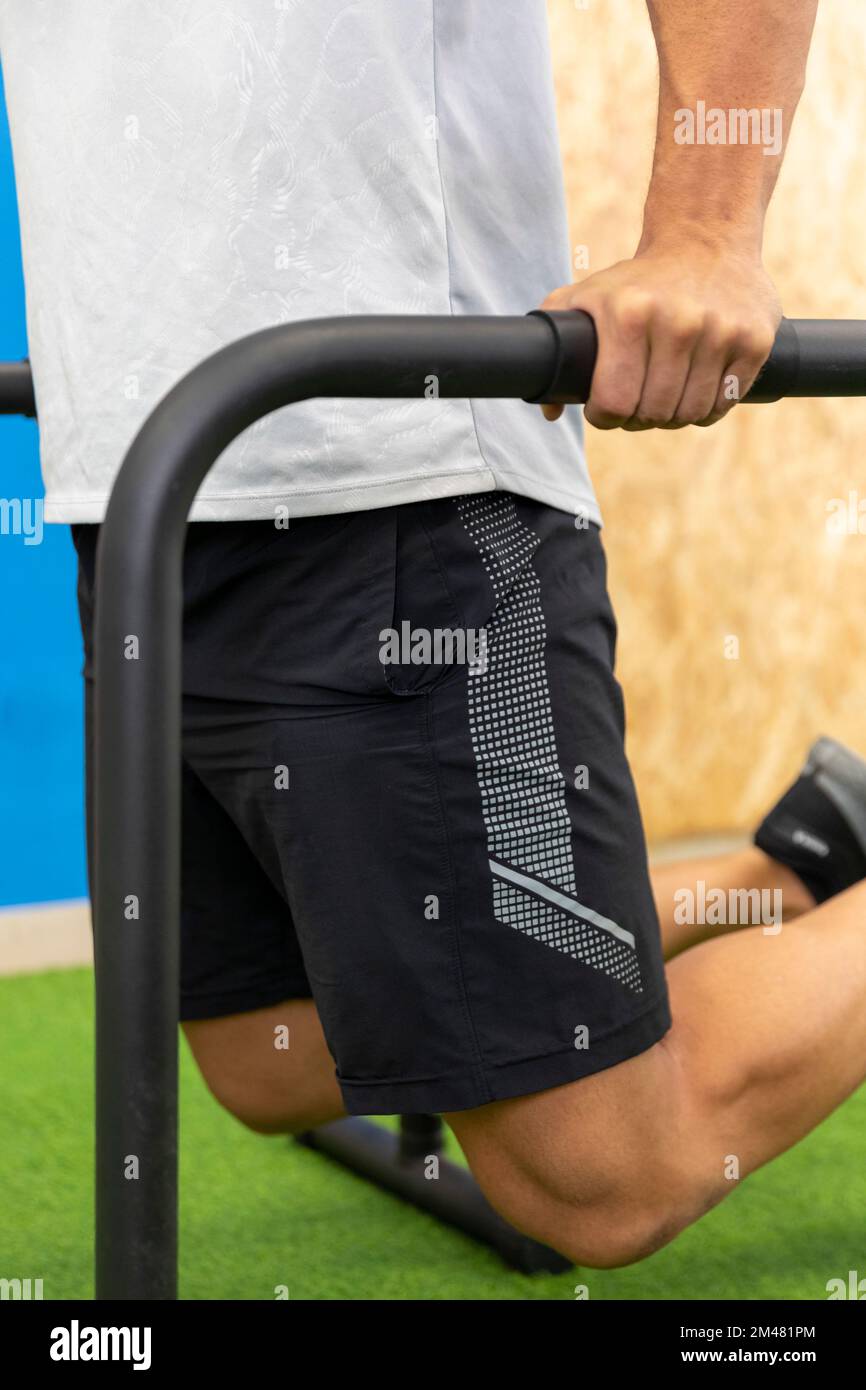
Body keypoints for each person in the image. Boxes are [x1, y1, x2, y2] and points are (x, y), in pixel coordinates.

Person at [4, 0, 855, 1269]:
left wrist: (704, 233)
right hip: (144, 489)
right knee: (268, 1048)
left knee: (600, 1169)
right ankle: (793, 868)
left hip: (400, 476)